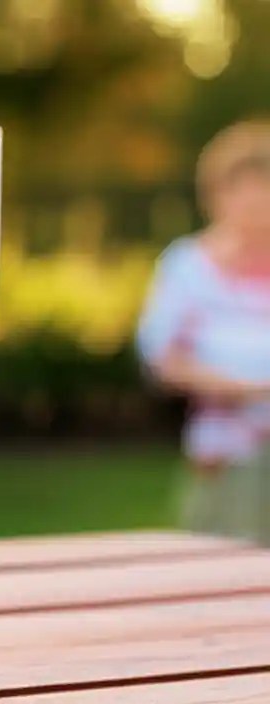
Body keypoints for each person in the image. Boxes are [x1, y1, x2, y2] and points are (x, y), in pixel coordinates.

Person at [138, 120, 270, 545]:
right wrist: (248, 388)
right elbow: (163, 358)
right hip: (228, 454)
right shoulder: (188, 266)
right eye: (244, 190)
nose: (257, 203)